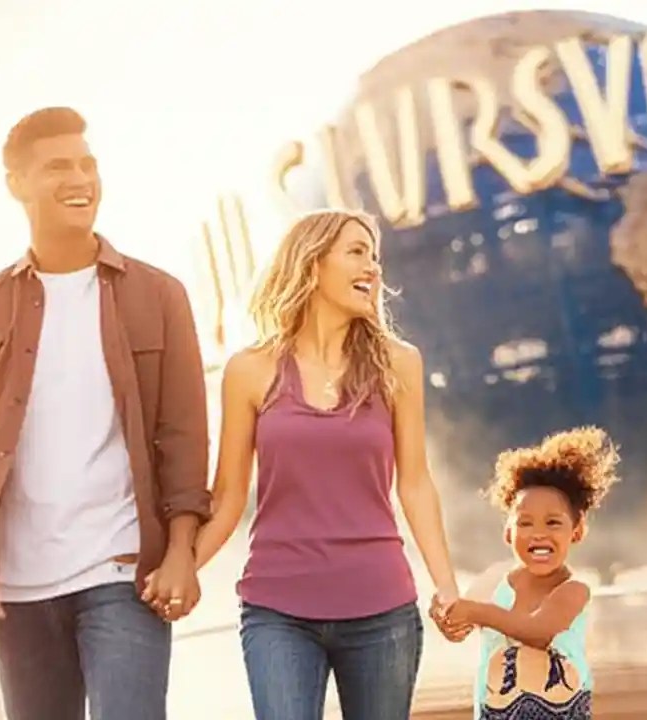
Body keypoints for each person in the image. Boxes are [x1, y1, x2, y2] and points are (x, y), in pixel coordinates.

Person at [0, 107, 211, 720]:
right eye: (58, 166)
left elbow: (184, 436)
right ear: (17, 184)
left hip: (120, 574)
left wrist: (182, 552)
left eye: (88, 164)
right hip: (17, 591)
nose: (80, 178)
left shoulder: (158, 295)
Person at [184, 208, 461, 720]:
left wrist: (447, 589)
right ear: (312, 265)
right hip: (277, 611)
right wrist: (180, 570)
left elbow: (416, 484)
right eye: (357, 252)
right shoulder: (249, 371)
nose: (373, 268)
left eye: (375, 257)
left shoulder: (400, 364)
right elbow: (226, 498)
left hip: (383, 612)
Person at [433, 426, 620, 720]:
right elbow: (459, 623)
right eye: (526, 523)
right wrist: (446, 613)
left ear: (578, 529)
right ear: (508, 531)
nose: (539, 535)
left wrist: (476, 612)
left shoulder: (574, 590)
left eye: (553, 523)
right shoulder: (494, 580)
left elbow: (538, 633)